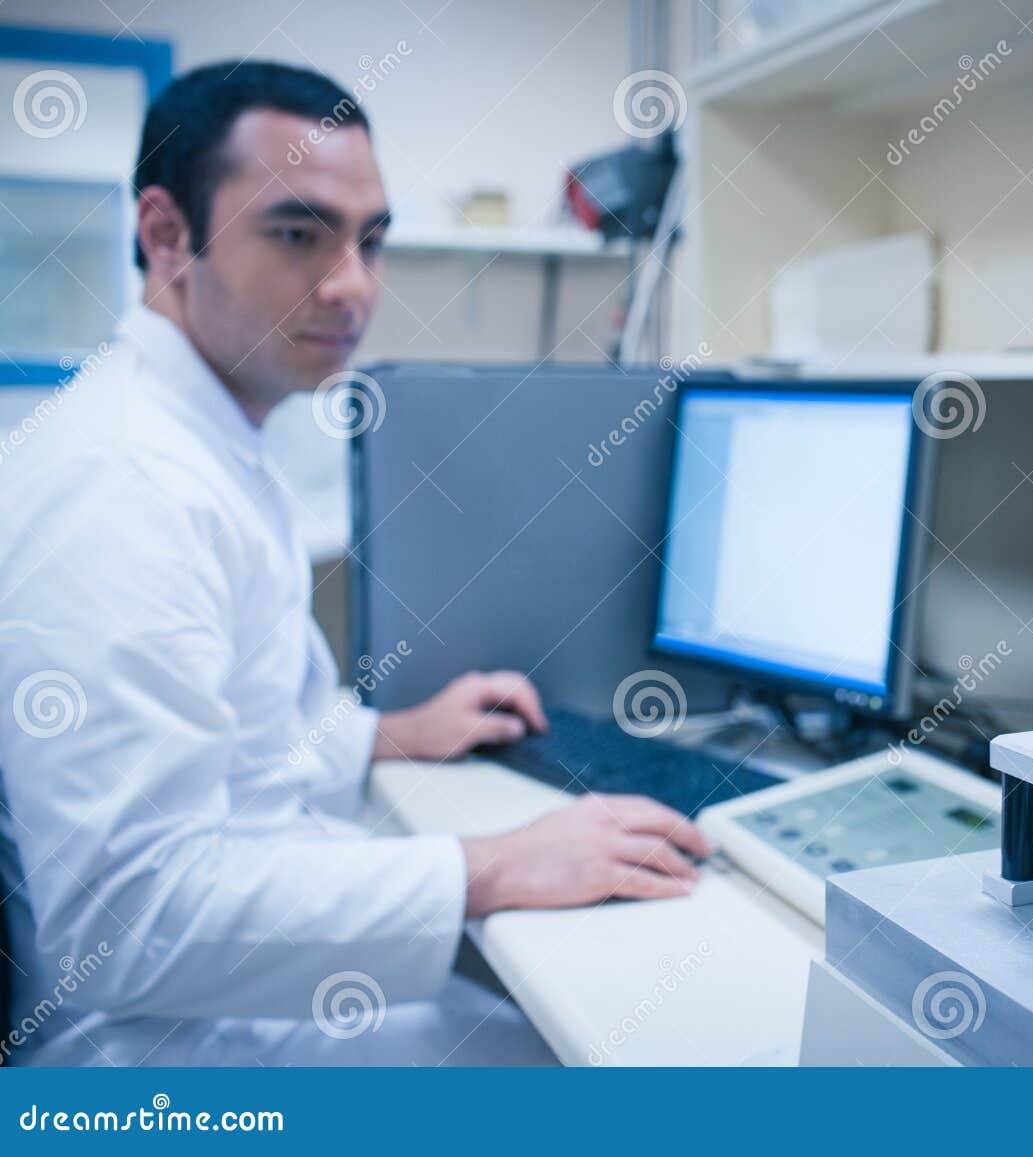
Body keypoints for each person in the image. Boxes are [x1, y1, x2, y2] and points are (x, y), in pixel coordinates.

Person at [0, 61, 709, 1067]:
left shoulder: (203, 437)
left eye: (369, 240)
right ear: (166, 234)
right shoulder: (120, 483)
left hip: (224, 997)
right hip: (156, 1057)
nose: (353, 287)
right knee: (623, 1065)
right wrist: (494, 865)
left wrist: (391, 734)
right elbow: (129, 920)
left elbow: (247, 742)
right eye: (299, 234)